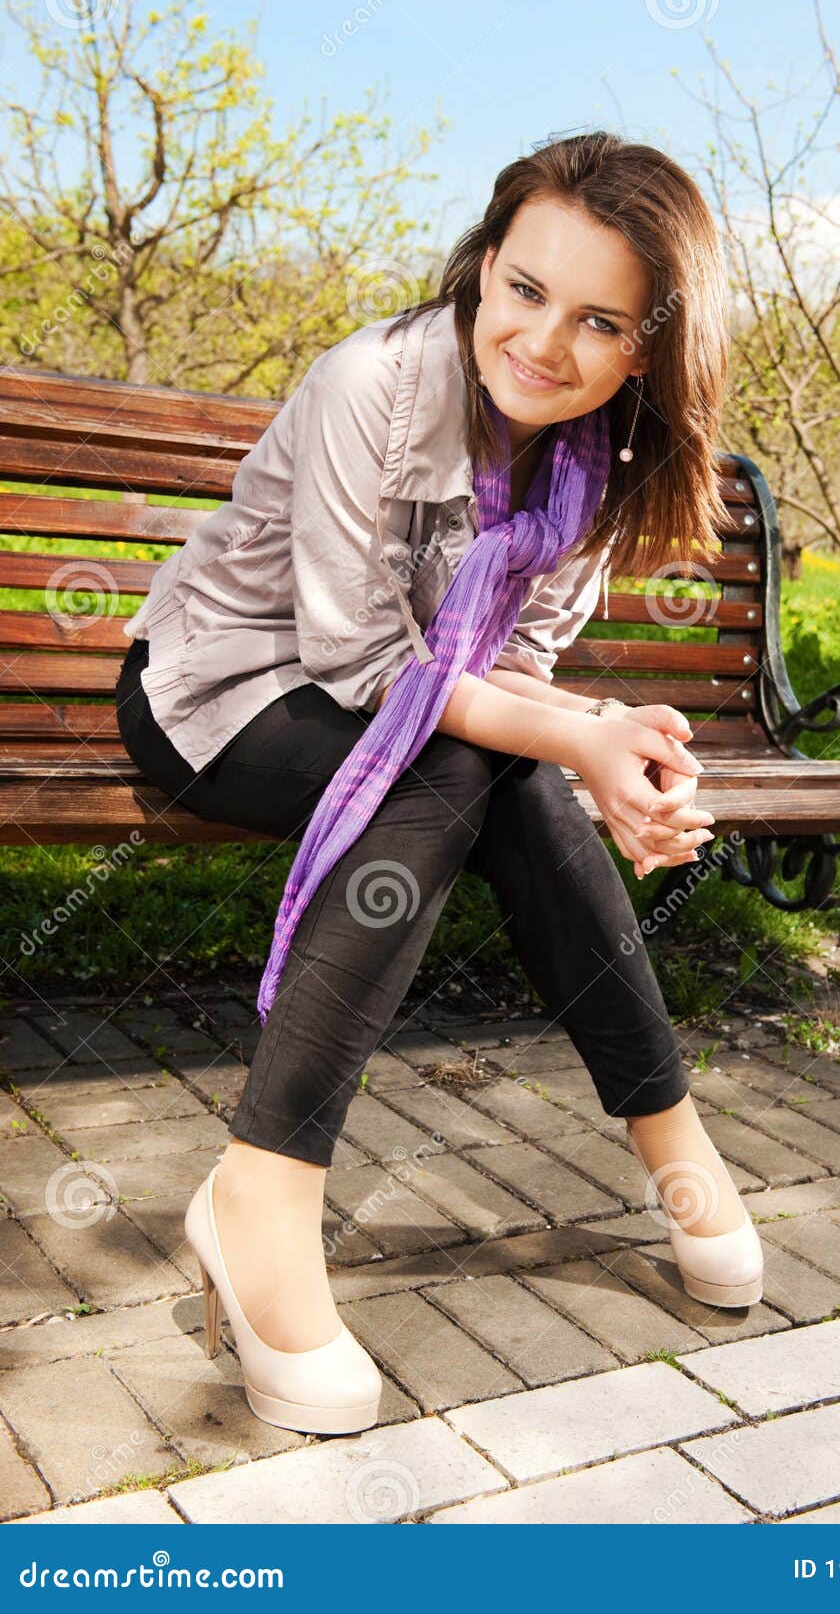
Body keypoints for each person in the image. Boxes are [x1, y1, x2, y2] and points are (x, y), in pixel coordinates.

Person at [115, 130, 763, 1437]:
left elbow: (509, 666)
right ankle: (265, 1197)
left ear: (646, 347)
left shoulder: (596, 464)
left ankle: (669, 1143)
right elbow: (366, 667)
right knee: (472, 757)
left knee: (497, 765)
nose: (541, 342)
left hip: (392, 711)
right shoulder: (373, 381)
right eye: (521, 289)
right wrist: (574, 731)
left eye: (598, 320)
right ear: (482, 265)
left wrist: (607, 760)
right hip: (217, 692)